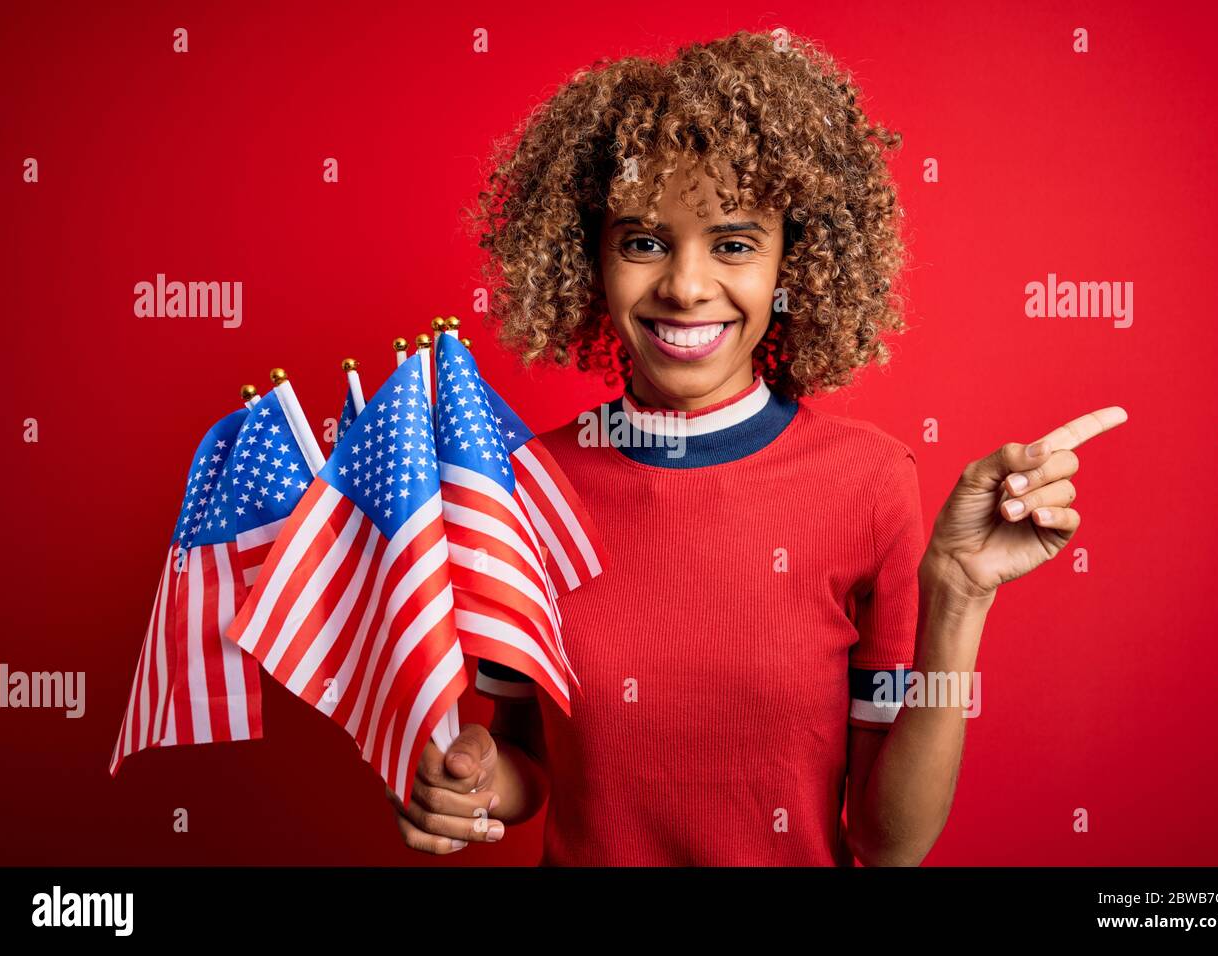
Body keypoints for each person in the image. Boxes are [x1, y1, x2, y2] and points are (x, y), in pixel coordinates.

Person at [385, 29, 1126, 865]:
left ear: (792, 264)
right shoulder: (521, 486)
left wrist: (956, 595)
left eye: (734, 243)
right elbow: (526, 761)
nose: (687, 285)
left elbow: (890, 845)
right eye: (643, 241)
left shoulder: (870, 481)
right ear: (590, 257)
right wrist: (472, 779)